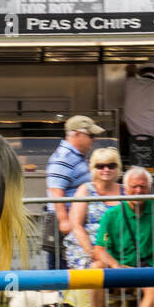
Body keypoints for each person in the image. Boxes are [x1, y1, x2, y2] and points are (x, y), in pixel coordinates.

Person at [92, 167, 154, 307]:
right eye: (134, 186)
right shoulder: (111, 215)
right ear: (125, 189)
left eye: (142, 187)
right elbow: (99, 249)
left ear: (149, 188)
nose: (138, 190)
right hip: (119, 268)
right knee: (95, 269)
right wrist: (116, 266)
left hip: (147, 269)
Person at [66, 147, 124, 307]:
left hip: (118, 246)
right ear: (93, 168)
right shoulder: (85, 190)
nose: (106, 169)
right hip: (88, 246)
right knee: (97, 266)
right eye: (100, 166)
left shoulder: (126, 190)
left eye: (111, 165)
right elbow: (76, 225)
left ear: (117, 167)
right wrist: (91, 252)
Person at [44, 114, 105, 268]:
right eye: (91, 135)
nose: (94, 139)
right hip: (66, 222)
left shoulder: (74, 156)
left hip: (73, 220)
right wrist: (64, 221)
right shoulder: (64, 157)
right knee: (62, 270)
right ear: (77, 134)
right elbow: (56, 190)